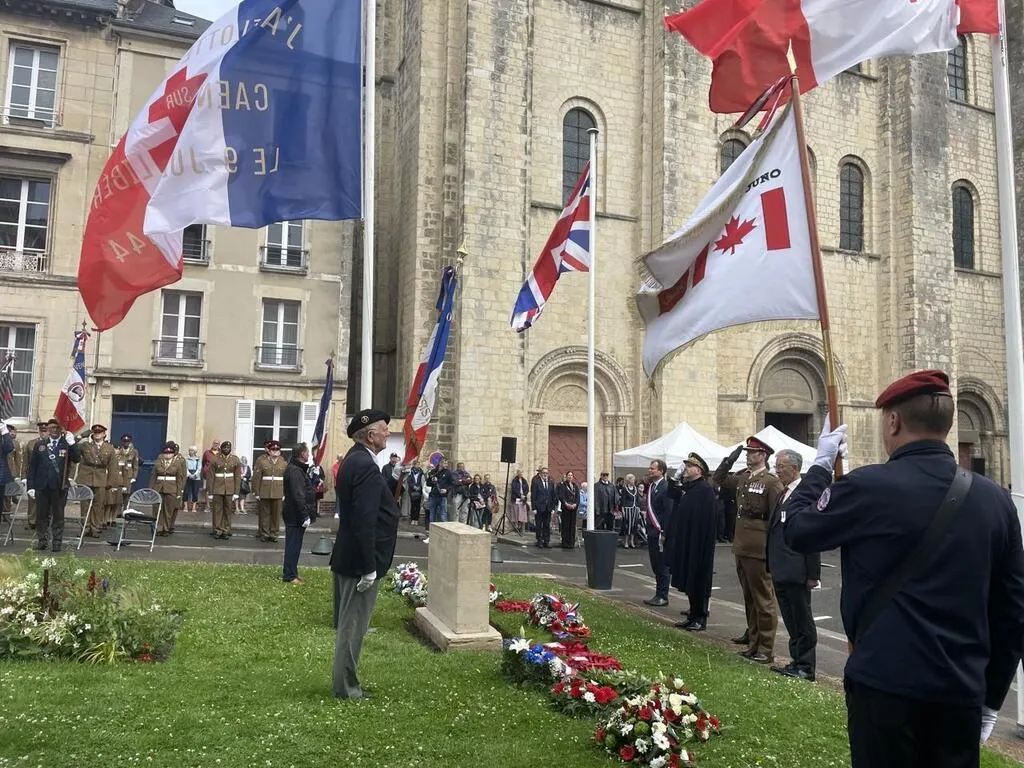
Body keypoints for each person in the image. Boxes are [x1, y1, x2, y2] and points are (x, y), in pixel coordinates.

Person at [784, 370, 1024, 766]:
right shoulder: (996, 500)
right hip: (960, 689)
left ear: (893, 421)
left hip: (884, 684)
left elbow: (796, 528)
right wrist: (991, 699)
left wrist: (821, 464)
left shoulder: (870, 485)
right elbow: (1012, 612)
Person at [330, 409, 400, 700]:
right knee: (352, 629)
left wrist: (394, 479)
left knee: (350, 625)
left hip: (348, 555)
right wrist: (369, 567)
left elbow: (376, 504)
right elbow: (364, 518)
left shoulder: (354, 459)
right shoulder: (366, 466)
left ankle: (346, 685)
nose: (387, 433)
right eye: (384, 430)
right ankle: (347, 689)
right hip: (359, 561)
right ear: (371, 436)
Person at [713, 436, 783, 664]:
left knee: (763, 600)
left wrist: (773, 549)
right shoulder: (743, 477)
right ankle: (753, 644)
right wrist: (728, 460)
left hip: (759, 546)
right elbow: (718, 480)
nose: (747, 454)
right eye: (747, 451)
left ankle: (766, 648)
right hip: (742, 544)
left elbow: (776, 519)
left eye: (751, 452)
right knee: (749, 598)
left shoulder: (771, 482)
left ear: (762, 455)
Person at [766, 449, 819, 681]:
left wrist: (812, 574)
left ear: (795, 468)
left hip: (797, 569)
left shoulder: (804, 494)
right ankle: (796, 660)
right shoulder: (783, 493)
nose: (777, 470)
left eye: (781, 466)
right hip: (781, 568)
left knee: (802, 619)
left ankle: (806, 666)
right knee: (790, 618)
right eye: (776, 465)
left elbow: (811, 536)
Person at [665, 453, 717, 631]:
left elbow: (708, 520)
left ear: (698, 470)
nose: (685, 469)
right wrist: (675, 477)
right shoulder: (690, 487)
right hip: (687, 539)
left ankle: (700, 617)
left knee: (699, 579)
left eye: (689, 466)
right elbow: (672, 493)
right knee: (689, 578)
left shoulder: (704, 490)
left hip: (698, 541)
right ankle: (692, 614)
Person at [26, 419, 81, 551]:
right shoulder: (40, 445)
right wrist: (31, 486)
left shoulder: (66, 444)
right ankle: (42, 541)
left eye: (56, 428)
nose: (54, 430)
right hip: (42, 486)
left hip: (59, 486)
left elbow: (77, 458)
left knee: (58, 516)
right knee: (41, 516)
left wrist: (72, 443)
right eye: (51, 428)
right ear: (48, 430)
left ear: (60, 429)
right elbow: (32, 467)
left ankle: (57, 542)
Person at [282, 442, 316, 584]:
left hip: (294, 513)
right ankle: (289, 575)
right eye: (307, 452)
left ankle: (293, 572)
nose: (309, 455)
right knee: (293, 545)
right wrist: (304, 514)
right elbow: (298, 495)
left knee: (295, 544)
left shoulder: (297, 469)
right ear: (302, 454)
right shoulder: (295, 470)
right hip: (295, 514)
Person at [76, 424, 116, 538]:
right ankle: (85, 527)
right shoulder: (85, 445)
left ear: (104, 434)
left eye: (100, 432)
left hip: (101, 478)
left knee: (98, 505)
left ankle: (95, 528)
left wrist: (111, 483)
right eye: (95, 432)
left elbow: (113, 467)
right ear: (92, 434)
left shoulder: (109, 448)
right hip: (85, 477)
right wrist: (82, 435)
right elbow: (71, 445)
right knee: (85, 504)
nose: (97, 434)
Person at [642, 460, 671, 606]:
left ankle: (663, 595)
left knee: (662, 565)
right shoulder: (653, 487)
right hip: (652, 531)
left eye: (653, 468)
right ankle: (658, 593)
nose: (650, 470)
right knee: (655, 564)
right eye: (650, 468)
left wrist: (664, 531)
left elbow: (668, 511)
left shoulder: (666, 488)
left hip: (660, 531)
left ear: (661, 471)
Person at [206, 441, 241, 539]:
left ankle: (226, 530)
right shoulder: (215, 459)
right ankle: (217, 530)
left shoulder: (235, 459)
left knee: (228, 510)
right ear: (221, 449)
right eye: (224, 448)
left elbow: (238, 477)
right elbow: (211, 476)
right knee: (217, 510)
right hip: (217, 488)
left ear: (230, 449)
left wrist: (236, 492)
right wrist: (210, 491)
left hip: (230, 489)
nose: (226, 449)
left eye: (228, 448)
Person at [253, 441, 286, 542]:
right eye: (273, 450)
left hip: (278, 491)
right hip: (265, 490)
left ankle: (274, 534)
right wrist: (256, 492)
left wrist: (285, 493)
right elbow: (257, 478)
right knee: (265, 514)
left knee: (276, 515)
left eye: (277, 450)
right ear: (269, 451)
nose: (275, 451)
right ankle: (265, 533)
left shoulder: (283, 462)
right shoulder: (263, 462)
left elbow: (286, 479)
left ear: (280, 451)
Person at [152, 441, 185, 536]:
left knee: (168, 510)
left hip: (171, 489)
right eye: (166, 453)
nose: (168, 455)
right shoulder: (158, 462)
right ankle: (159, 528)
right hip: (159, 487)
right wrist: (151, 489)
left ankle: (166, 528)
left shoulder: (178, 463)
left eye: (170, 453)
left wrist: (179, 492)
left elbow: (180, 478)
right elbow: (153, 476)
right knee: (158, 509)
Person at [21, 422, 46, 530]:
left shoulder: (51, 444)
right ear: (39, 431)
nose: (43, 433)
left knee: (45, 499)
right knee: (32, 500)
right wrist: (24, 476)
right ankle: (32, 521)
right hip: (34, 475)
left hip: (46, 476)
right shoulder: (31, 443)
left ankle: (43, 520)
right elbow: (26, 462)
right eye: (41, 431)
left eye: (45, 431)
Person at [113, 434, 140, 521]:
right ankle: (118, 512)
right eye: (124, 441)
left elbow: (135, 465)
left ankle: (125, 511)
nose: (126, 443)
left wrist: (134, 476)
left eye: (127, 442)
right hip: (120, 474)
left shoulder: (134, 451)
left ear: (130, 442)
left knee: (126, 494)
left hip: (129, 475)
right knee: (119, 494)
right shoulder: (118, 450)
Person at [530, 467, 554, 548]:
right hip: (539, 507)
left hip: (548, 508)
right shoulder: (536, 482)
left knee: (547, 525)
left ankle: (546, 541)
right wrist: (533, 508)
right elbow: (533, 496)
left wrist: (553, 508)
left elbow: (552, 495)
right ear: (540, 474)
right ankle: (539, 540)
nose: (545, 475)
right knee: (539, 525)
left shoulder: (550, 483)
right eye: (544, 473)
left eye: (546, 473)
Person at [619, 474, 642, 548]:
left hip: (635, 509)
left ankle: (632, 541)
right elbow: (623, 499)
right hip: (627, 509)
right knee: (627, 525)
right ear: (628, 480)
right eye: (632, 479)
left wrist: (638, 508)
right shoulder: (625, 488)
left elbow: (637, 499)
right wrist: (622, 509)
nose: (633, 481)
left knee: (634, 525)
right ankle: (626, 541)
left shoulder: (635, 488)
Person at [405, 460, 424, 524]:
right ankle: (412, 518)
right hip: (412, 490)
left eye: (418, 464)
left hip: (419, 490)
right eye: (416, 464)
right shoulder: (411, 471)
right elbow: (409, 480)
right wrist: (414, 487)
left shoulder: (421, 472)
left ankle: (416, 519)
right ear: (414, 465)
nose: (418, 466)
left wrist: (419, 487)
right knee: (413, 505)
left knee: (418, 505)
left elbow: (422, 481)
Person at [183, 447, 202, 514]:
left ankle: (194, 506)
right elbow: (185, 467)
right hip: (188, 476)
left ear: (195, 451)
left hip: (196, 477)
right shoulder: (186, 459)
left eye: (192, 450)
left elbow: (199, 468)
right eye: (190, 450)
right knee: (186, 491)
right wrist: (189, 475)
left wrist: (195, 475)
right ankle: (185, 506)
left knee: (195, 491)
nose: (190, 451)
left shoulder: (198, 459)